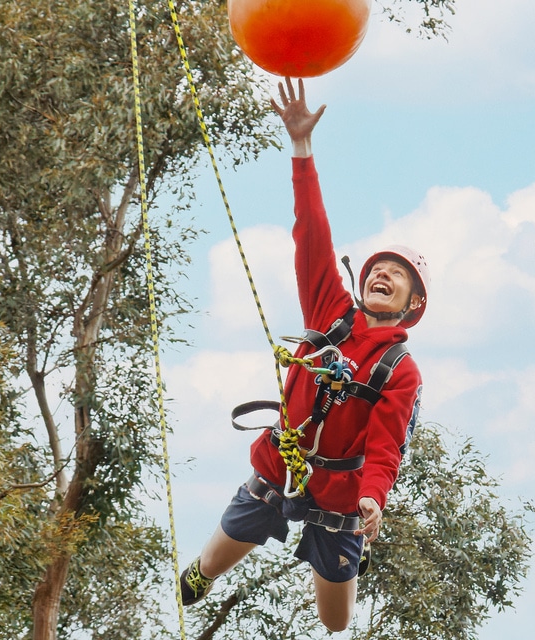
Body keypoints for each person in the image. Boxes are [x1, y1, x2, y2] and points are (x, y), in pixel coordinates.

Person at [177, 79, 428, 632]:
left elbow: (386, 447)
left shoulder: (399, 370)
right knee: (211, 564)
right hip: (281, 465)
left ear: (413, 305)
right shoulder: (329, 312)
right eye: (377, 269)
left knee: (335, 623)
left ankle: (345, 557)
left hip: (339, 494)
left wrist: (373, 499)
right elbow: (311, 231)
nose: (383, 274)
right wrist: (301, 148)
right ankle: (202, 571)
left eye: (398, 275)